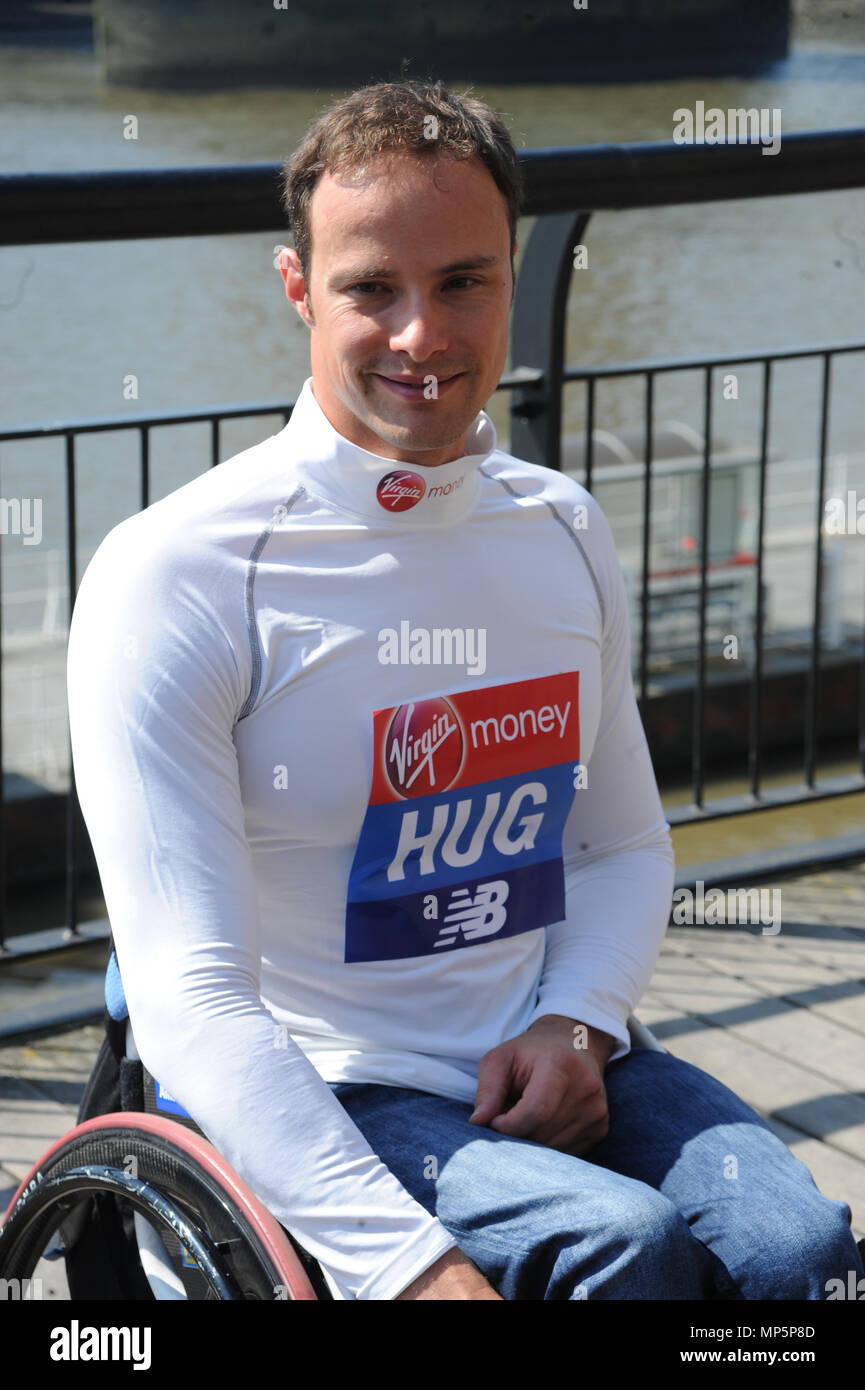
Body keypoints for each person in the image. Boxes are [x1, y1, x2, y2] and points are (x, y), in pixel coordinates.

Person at [67, 78, 863, 1302]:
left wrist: (579, 1020)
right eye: (370, 287)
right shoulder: (177, 573)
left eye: (462, 283)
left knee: (800, 1258)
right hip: (323, 1085)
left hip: (538, 1046)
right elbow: (193, 1001)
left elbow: (619, 845)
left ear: (512, 272)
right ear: (298, 290)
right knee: (621, 1251)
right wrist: (409, 1264)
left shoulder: (564, 526)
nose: (421, 338)